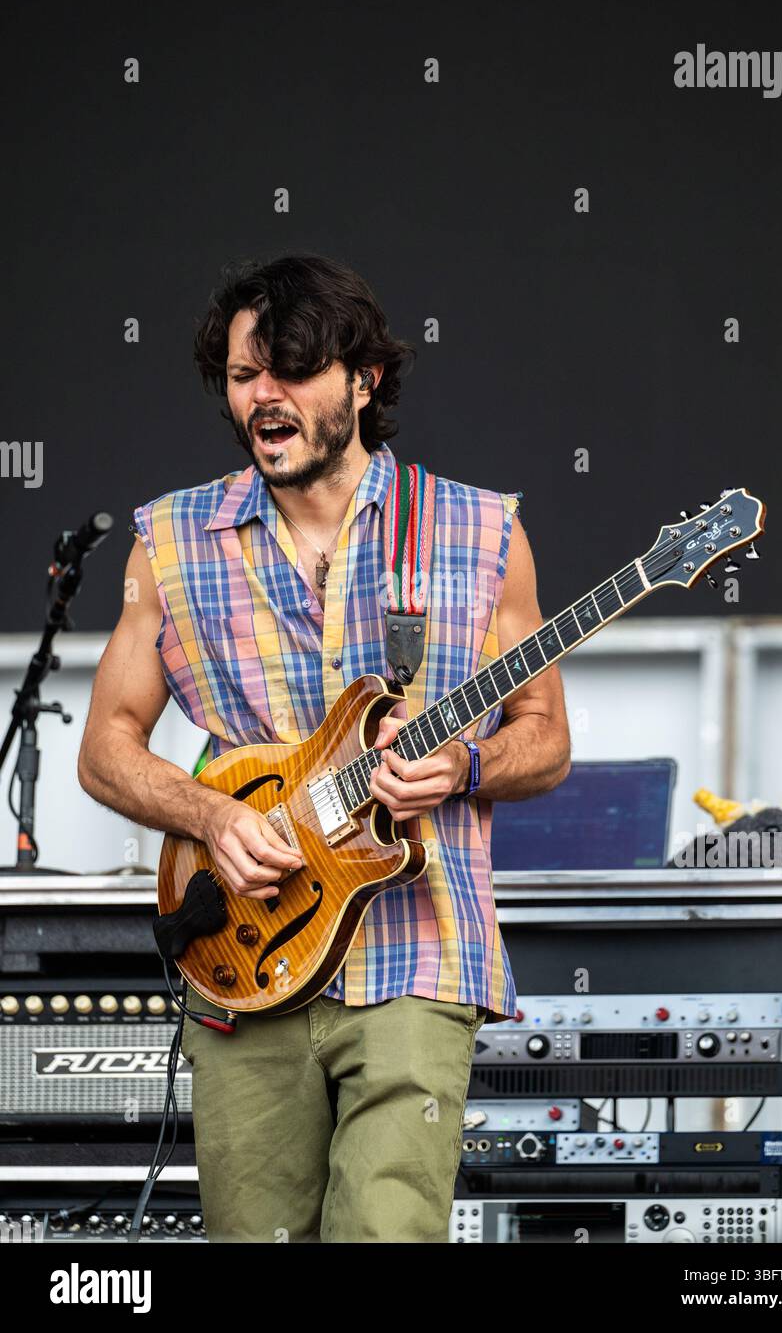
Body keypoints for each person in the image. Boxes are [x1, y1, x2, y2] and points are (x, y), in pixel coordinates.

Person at [78, 252, 571, 1242]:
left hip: (416, 951)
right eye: (240, 373)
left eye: (292, 368)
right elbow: (105, 748)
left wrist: (464, 765)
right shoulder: (170, 542)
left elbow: (544, 738)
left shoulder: (476, 531)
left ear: (364, 377)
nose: (263, 396)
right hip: (244, 951)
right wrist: (211, 815)